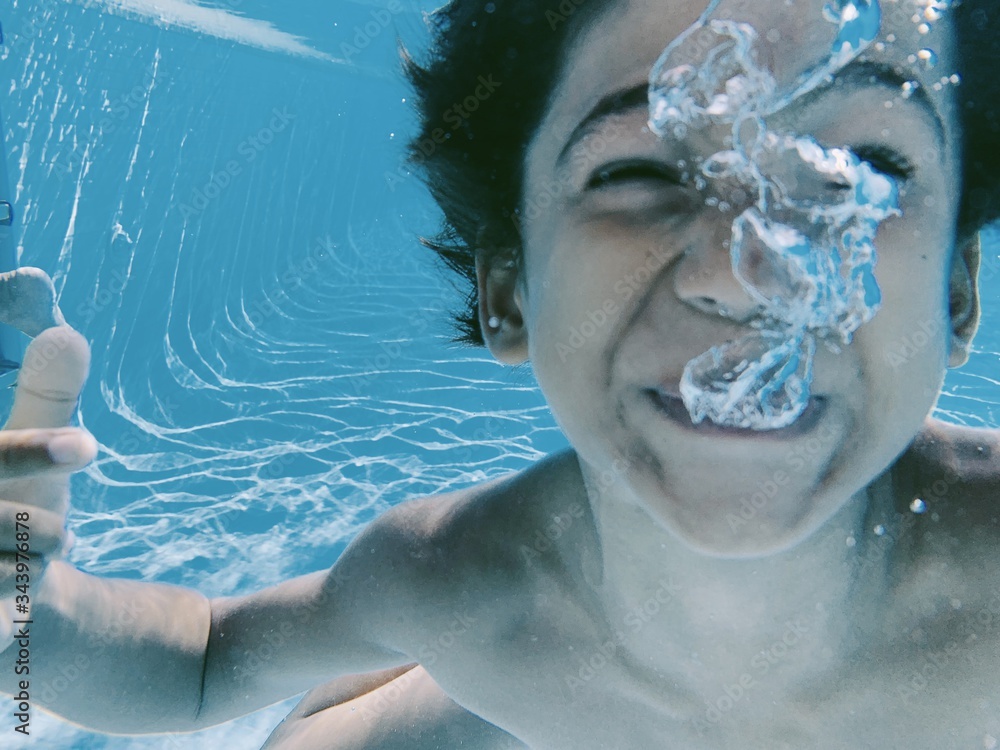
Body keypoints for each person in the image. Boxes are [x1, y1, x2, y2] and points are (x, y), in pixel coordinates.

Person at [2, 0, 999, 748]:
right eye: (637, 174)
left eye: (857, 175)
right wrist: (17, 601)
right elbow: (205, 665)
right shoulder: (466, 586)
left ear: (957, 292)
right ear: (509, 294)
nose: (746, 275)